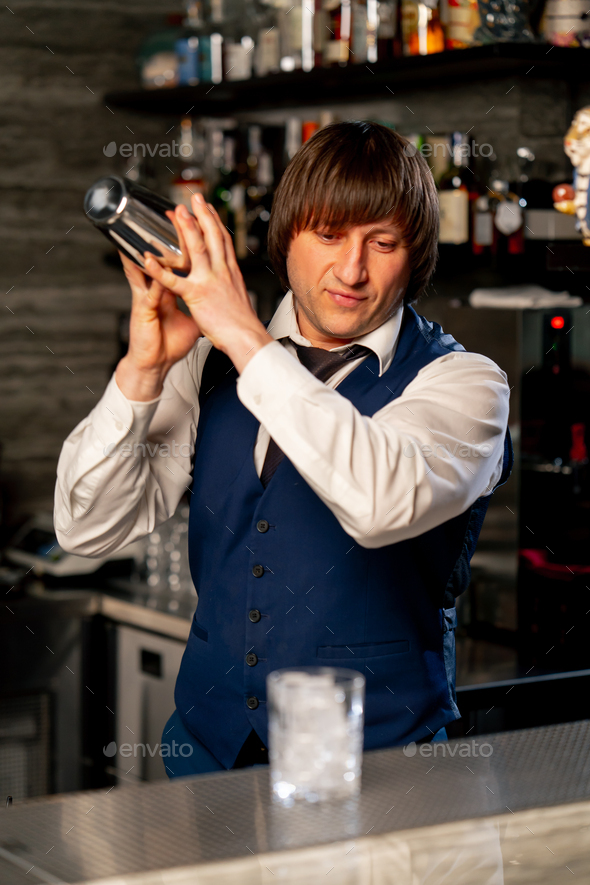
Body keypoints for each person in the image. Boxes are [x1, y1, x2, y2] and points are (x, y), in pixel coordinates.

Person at [54, 121, 512, 778]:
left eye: (381, 243)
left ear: (414, 256)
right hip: (206, 754)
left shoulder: (464, 382)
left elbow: (381, 501)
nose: (351, 270)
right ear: (286, 238)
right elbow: (87, 528)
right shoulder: (209, 363)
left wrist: (242, 334)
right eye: (328, 235)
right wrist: (145, 366)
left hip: (382, 770)